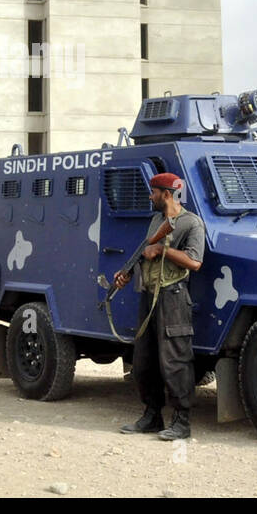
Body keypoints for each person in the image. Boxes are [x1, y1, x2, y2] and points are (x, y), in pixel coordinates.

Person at [112, 172, 205, 441]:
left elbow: (195, 262)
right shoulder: (156, 221)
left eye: (153, 192)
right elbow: (145, 253)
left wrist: (162, 250)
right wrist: (126, 273)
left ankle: (182, 422)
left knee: (175, 361)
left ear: (166, 194)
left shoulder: (190, 223)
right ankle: (152, 415)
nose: (150, 196)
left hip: (173, 297)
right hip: (149, 295)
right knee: (143, 361)